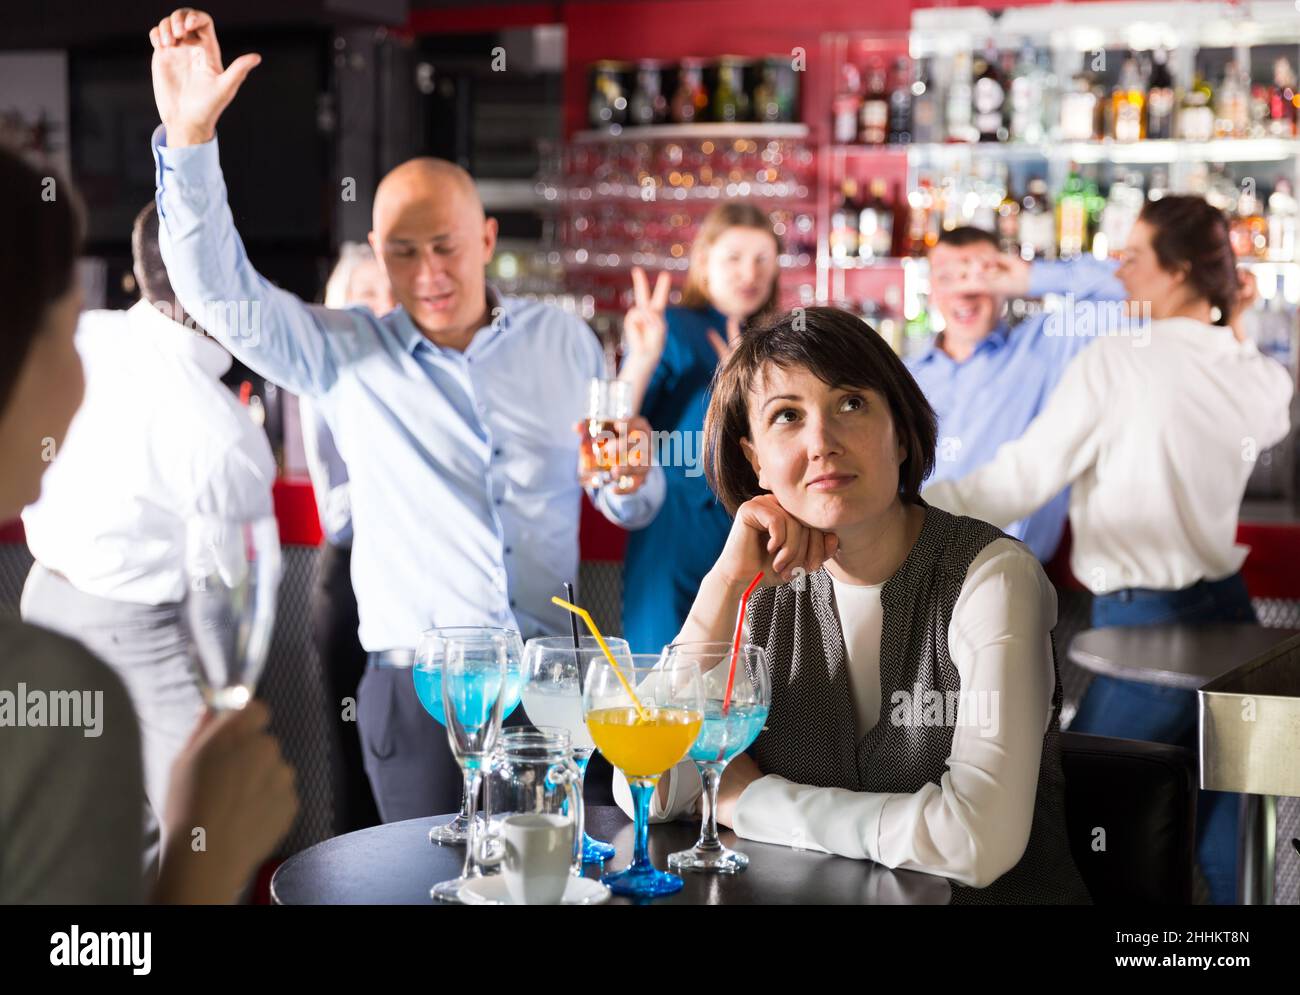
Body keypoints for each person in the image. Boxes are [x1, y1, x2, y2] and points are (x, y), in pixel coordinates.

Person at [147, 8, 663, 822]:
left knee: (551, 886)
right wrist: (188, 139)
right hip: (422, 693)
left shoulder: (565, 342)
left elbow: (616, 491)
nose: (427, 273)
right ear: (378, 254)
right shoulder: (345, 353)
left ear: (487, 237)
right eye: (403, 251)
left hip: (553, 688)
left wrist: (633, 483)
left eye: (446, 245)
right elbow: (220, 294)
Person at [619, 305, 1091, 904]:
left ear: (900, 432)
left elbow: (977, 840)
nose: (822, 443)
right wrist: (722, 586)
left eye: (851, 404)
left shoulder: (993, 579)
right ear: (755, 458)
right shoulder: (759, 588)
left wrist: (748, 800)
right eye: (787, 416)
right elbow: (649, 786)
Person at [924, 195, 1294, 904]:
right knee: (1228, 846)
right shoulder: (1255, 372)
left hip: (1144, 632)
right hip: (1234, 623)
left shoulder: (1116, 359)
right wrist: (1234, 324)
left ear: (1178, 269)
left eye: (1132, 256)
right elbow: (1266, 396)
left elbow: (1017, 482)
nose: (1118, 269)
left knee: (1070, 815)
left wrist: (908, 506)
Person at [0, 142, 298, 904]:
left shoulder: (100, 334)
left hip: (41, 596)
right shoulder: (225, 435)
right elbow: (225, 600)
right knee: (199, 826)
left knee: (85, 835)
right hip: (143, 632)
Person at [616, 203, 781, 653]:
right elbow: (616, 429)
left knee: (741, 689)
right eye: (734, 258)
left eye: (763, 259)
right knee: (663, 684)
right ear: (704, 262)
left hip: (750, 536)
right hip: (673, 536)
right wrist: (643, 357)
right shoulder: (670, 327)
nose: (750, 272)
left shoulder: (775, 343)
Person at [909, 226, 1127, 562]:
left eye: (982, 275)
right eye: (949, 277)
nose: (965, 291)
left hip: (1007, 576)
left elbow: (1137, 294)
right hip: (908, 568)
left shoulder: (1047, 345)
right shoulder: (903, 377)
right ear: (931, 288)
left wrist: (1031, 277)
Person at [299, 242, 392, 833]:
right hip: (352, 580)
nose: (381, 308)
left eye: (389, 294)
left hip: (407, 585)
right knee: (353, 764)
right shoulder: (325, 376)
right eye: (365, 296)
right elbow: (338, 514)